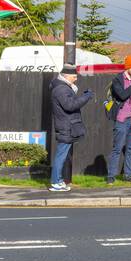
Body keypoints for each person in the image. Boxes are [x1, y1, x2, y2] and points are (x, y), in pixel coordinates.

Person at [49, 64, 93, 192]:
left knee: (62, 155)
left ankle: (59, 180)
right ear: (67, 77)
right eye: (74, 76)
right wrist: (86, 97)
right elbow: (70, 105)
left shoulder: (62, 87)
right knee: (61, 155)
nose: (76, 78)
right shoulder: (61, 89)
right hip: (66, 126)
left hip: (67, 125)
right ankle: (55, 182)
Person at [106, 55, 131, 184]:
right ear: (128, 67)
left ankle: (128, 175)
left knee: (130, 149)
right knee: (117, 148)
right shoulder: (117, 80)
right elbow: (122, 95)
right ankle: (111, 176)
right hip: (122, 118)